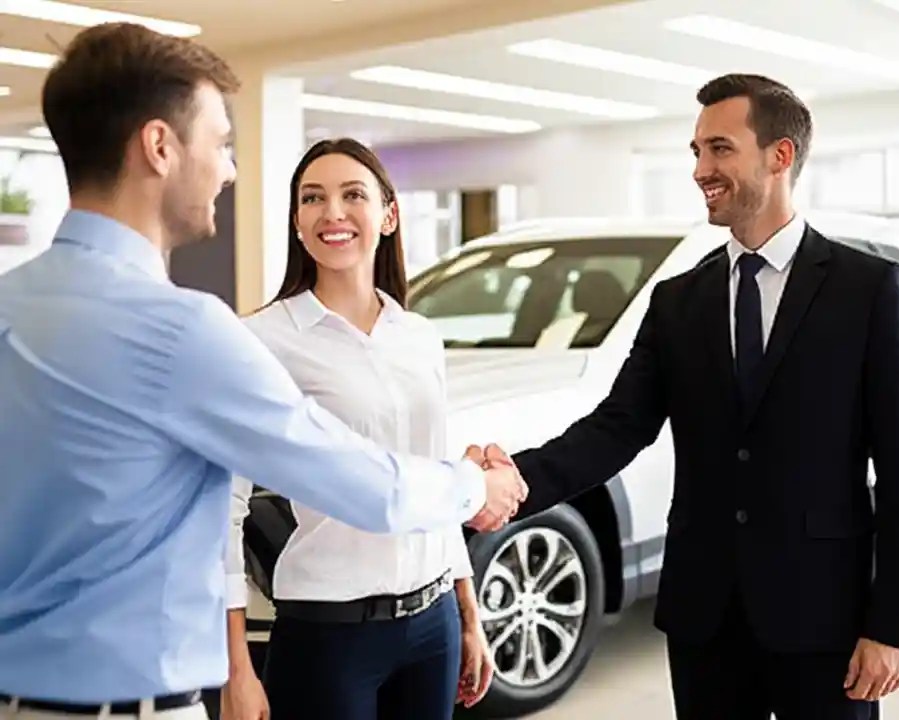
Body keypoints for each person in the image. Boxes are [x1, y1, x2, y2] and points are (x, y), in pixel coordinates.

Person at [0, 23, 522, 719]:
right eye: (219, 142)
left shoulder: (11, 305)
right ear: (160, 147)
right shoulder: (184, 332)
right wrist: (477, 483)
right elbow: (370, 490)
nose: (229, 170)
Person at [475, 73, 899, 719]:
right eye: (696, 152)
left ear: (780, 156)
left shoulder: (869, 290)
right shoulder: (677, 300)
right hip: (704, 614)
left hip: (824, 615)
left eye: (720, 149)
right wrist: (512, 480)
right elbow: (617, 427)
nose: (701, 170)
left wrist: (894, 625)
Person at [220, 139, 494, 720]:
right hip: (328, 635)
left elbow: (434, 479)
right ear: (297, 223)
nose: (332, 213)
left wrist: (469, 614)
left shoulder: (418, 334)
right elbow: (223, 508)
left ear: (389, 215)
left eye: (353, 195)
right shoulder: (262, 339)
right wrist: (235, 667)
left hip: (433, 626)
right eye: (312, 198)